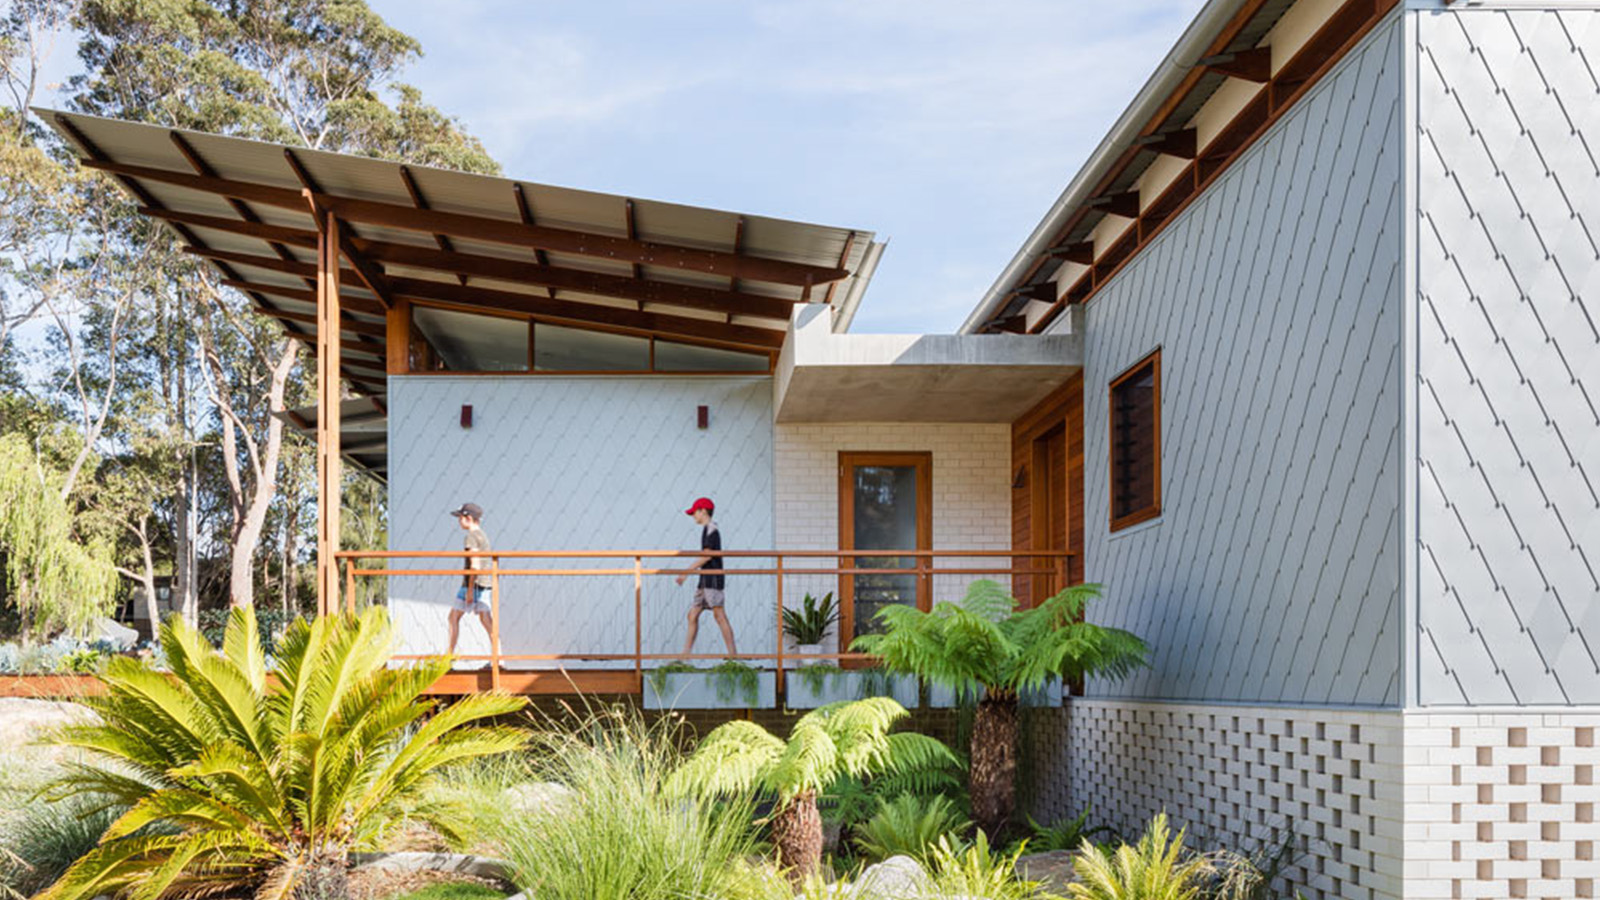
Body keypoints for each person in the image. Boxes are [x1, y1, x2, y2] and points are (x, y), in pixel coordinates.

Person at [675, 497, 737, 658]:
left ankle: (733, 656)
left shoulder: (711, 529)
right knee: (693, 615)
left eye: (695, 512)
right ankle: (685, 655)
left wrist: (686, 572)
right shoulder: (707, 529)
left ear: (703, 511)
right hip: (705, 579)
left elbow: (707, 556)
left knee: (719, 615)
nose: (693, 516)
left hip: (713, 579)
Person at [446, 502, 493, 658]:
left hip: (473, 584)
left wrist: (470, 590)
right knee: (486, 620)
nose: (459, 521)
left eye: (460, 517)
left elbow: (474, 565)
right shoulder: (483, 535)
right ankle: (497, 657)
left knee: (453, 617)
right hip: (485, 583)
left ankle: (449, 657)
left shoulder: (471, 537)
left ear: (469, 518)